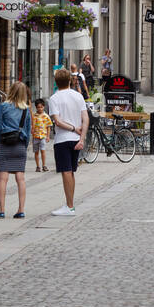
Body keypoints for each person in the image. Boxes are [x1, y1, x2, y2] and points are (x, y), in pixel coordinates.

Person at [48, 65, 88, 216]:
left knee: (66, 172)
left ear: (56, 82)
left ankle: (69, 206)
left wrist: (72, 129)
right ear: (70, 81)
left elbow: (57, 121)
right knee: (71, 172)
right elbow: (85, 118)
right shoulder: (78, 96)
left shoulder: (54, 98)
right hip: (76, 139)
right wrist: (81, 138)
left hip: (63, 139)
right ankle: (70, 204)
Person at [0, 82, 33, 218]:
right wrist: (25, 145)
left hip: (5, 144)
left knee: (3, 179)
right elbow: (28, 130)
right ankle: (21, 210)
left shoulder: (3, 106)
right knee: (20, 178)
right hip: (20, 144)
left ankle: (2, 210)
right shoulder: (26, 109)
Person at [32, 97, 53, 172]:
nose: (40, 109)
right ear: (36, 107)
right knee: (36, 152)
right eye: (38, 107)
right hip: (35, 136)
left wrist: (48, 136)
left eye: (41, 107)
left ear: (44, 107)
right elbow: (32, 126)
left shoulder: (46, 116)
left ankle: (44, 165)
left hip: (43, 136)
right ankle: (38, 166)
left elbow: (48, 127)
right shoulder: (34, 116)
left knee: (43, 151)